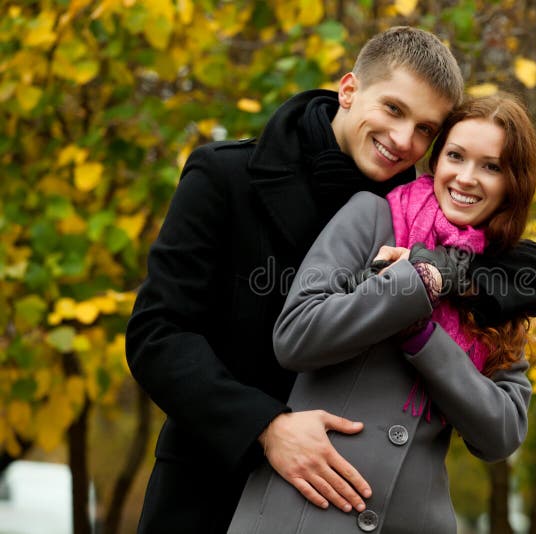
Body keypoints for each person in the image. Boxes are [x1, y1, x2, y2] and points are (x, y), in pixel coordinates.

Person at [125, 27, 464, 533]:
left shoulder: (423, 222)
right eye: (393, 109)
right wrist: (266, 426)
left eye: (424, 130)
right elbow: (158, 334)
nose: (403, 141)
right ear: (349, 90)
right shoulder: (224, 177)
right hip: (210, 490)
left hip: (341, 507)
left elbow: (524, 272)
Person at [227, 94, 536, 533]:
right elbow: (296, 336)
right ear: (436, 159)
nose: (466, 178)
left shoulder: (498, 285)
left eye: (491, 166)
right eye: (455, 156)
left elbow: (501, 433)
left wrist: (423, 339)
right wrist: (415, 284)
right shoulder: (372, 217)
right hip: (301, 513)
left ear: (512, 182)